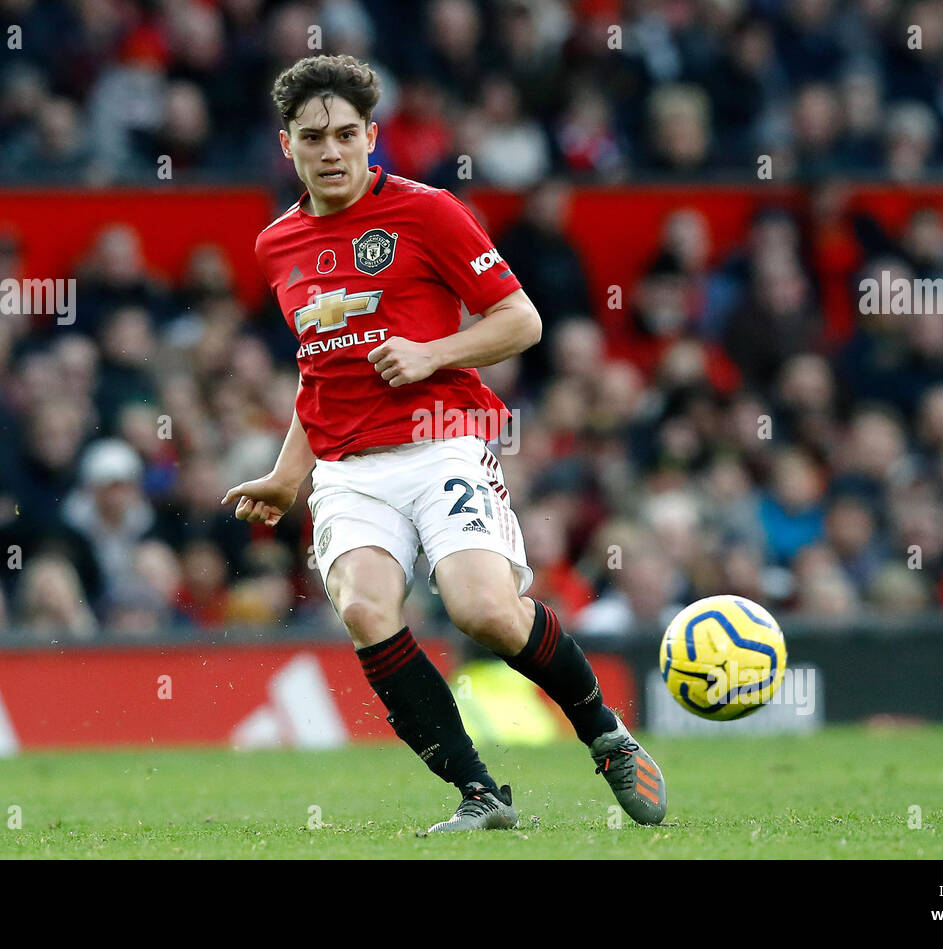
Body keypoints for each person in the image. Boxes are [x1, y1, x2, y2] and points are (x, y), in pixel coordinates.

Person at [222, 54, 666, 832]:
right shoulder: (276, 244)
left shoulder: (429, 212)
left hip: (440, 443)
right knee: (365, 608)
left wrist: (432, 353)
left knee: (482, 609)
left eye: (346, 134)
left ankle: (606, 733)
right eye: (313, 136)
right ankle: (480, 793)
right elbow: (315, 370)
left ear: (372, 137)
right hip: (348, 469)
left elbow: (521, 320)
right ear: (286, 143)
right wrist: (287, 476)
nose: (331, 151)